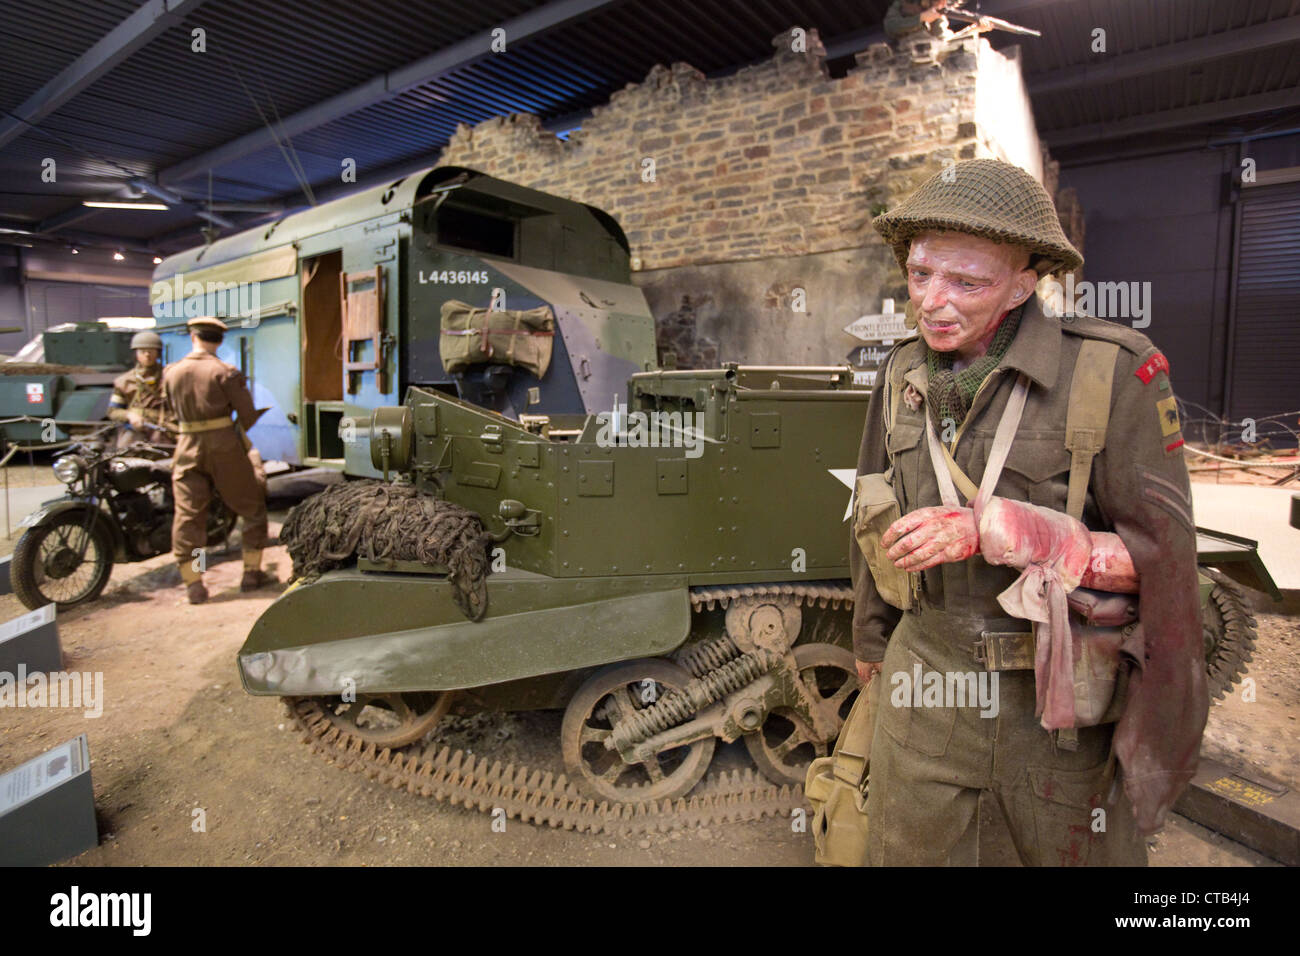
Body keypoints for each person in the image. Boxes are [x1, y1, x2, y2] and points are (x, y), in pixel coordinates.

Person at [849, 159, 1207, 865]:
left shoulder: (1113, 373)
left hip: (1058, 700)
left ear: (1024, 282)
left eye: (967, 282)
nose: (933, 302)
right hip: (925, 682)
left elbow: (1169, 570)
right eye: (920, 274)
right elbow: (869, 508)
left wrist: (1158, 730)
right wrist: (870, 643)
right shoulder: (901, 374)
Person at [163, 316, 270, 604]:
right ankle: (250, 573)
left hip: (186, 449)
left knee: (190, 518)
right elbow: (247, 416)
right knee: (252, 507)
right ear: (220, 340)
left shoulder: (171, 372)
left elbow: (169, 417)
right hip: (225, 448)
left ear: (193, 337)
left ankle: (194, 583)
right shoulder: (226, 372)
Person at [107, 330, 175, 446]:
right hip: (135, 431)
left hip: (164, 431)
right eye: (143, 351)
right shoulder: (125, 381)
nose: (147, 355)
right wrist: (129, 415)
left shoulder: (170, 376)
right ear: (136, 354)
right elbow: (113, 411)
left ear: (158, 353)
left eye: (151, 351)